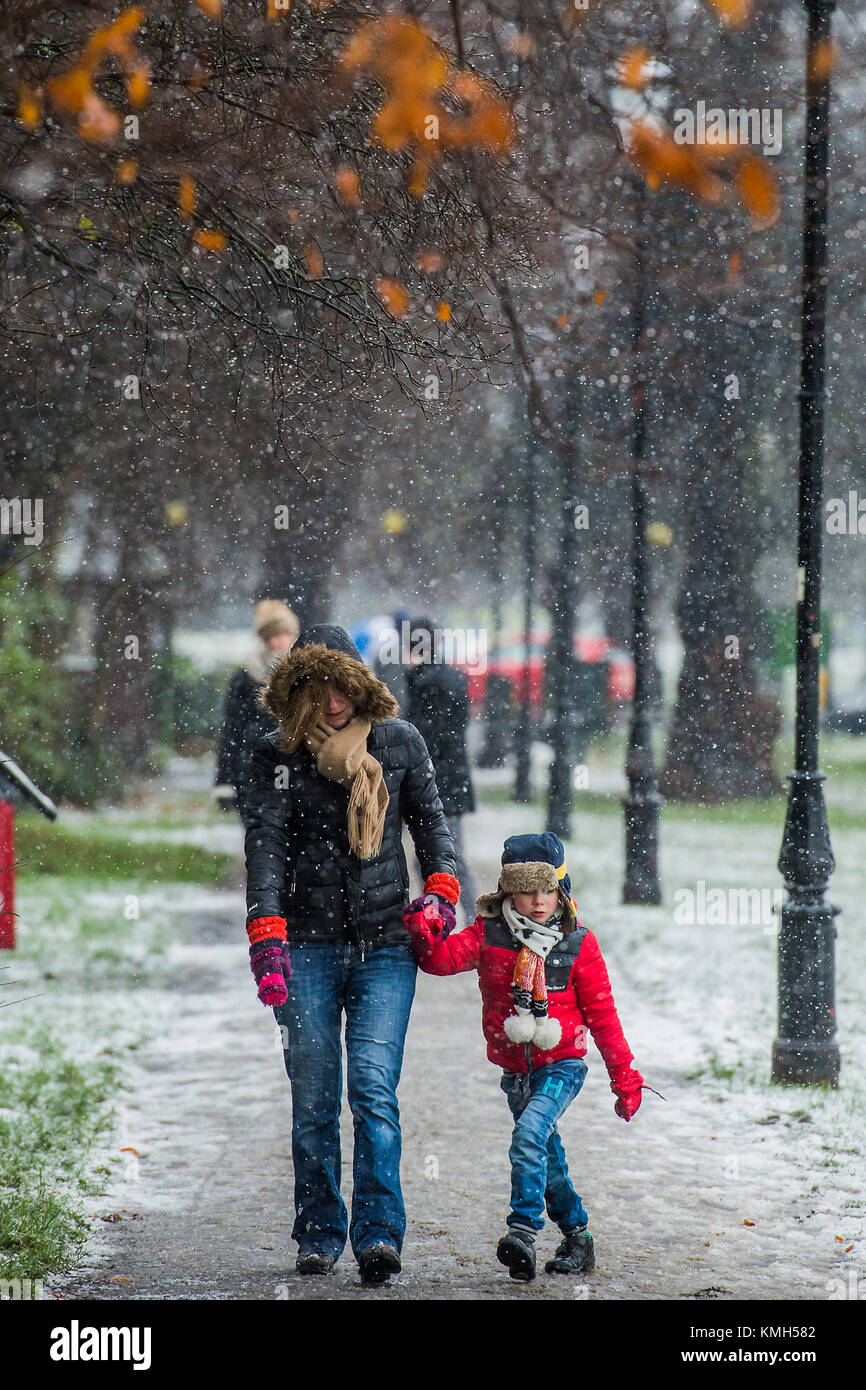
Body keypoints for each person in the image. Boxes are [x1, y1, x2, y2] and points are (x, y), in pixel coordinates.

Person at [242, 624, 459, 1285]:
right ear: (297, 690)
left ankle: (377, 1235)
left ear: (359, 684)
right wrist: (266, 934)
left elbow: (434, 831)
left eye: (341, 686)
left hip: (386, 947)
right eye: (316, 687)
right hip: (304, 947)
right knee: (312, 1096)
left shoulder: (399, 742)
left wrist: (441, 895)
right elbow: (267, 847)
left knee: (372, 1089)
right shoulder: (276, 754)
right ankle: (317, 1231)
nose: (332, 701)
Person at [404, 831, 645, 1282]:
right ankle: (579, 1237)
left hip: (563, 1063)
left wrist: (625, 1079)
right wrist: (426, 932)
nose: (539, 901)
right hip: (516, 1071)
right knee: (545, 1152)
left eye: (548, 889)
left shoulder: (578, 943)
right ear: (507, 890)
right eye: (527, 889)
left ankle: (523, 1232)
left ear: (561, 889)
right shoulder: (487, 934)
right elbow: (440, 961)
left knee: (530, 1135)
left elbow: (604, 1016)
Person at [404, 615, 478, 923]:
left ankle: (473, 921)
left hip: (438, 783)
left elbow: (425, 736)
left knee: (445, 857)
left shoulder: (430, 684)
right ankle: (437, 920)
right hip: (445, 782)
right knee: (437, 857)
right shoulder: (443, 678)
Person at [214, 600, 299, 825]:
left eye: (287, 634)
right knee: (260, 836)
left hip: (295, 769)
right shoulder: (245, 677)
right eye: (276, 635)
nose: (282, 641)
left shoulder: (305, 674)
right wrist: (225, 780)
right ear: (266, 638)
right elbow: (232, 728)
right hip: (252, 767)